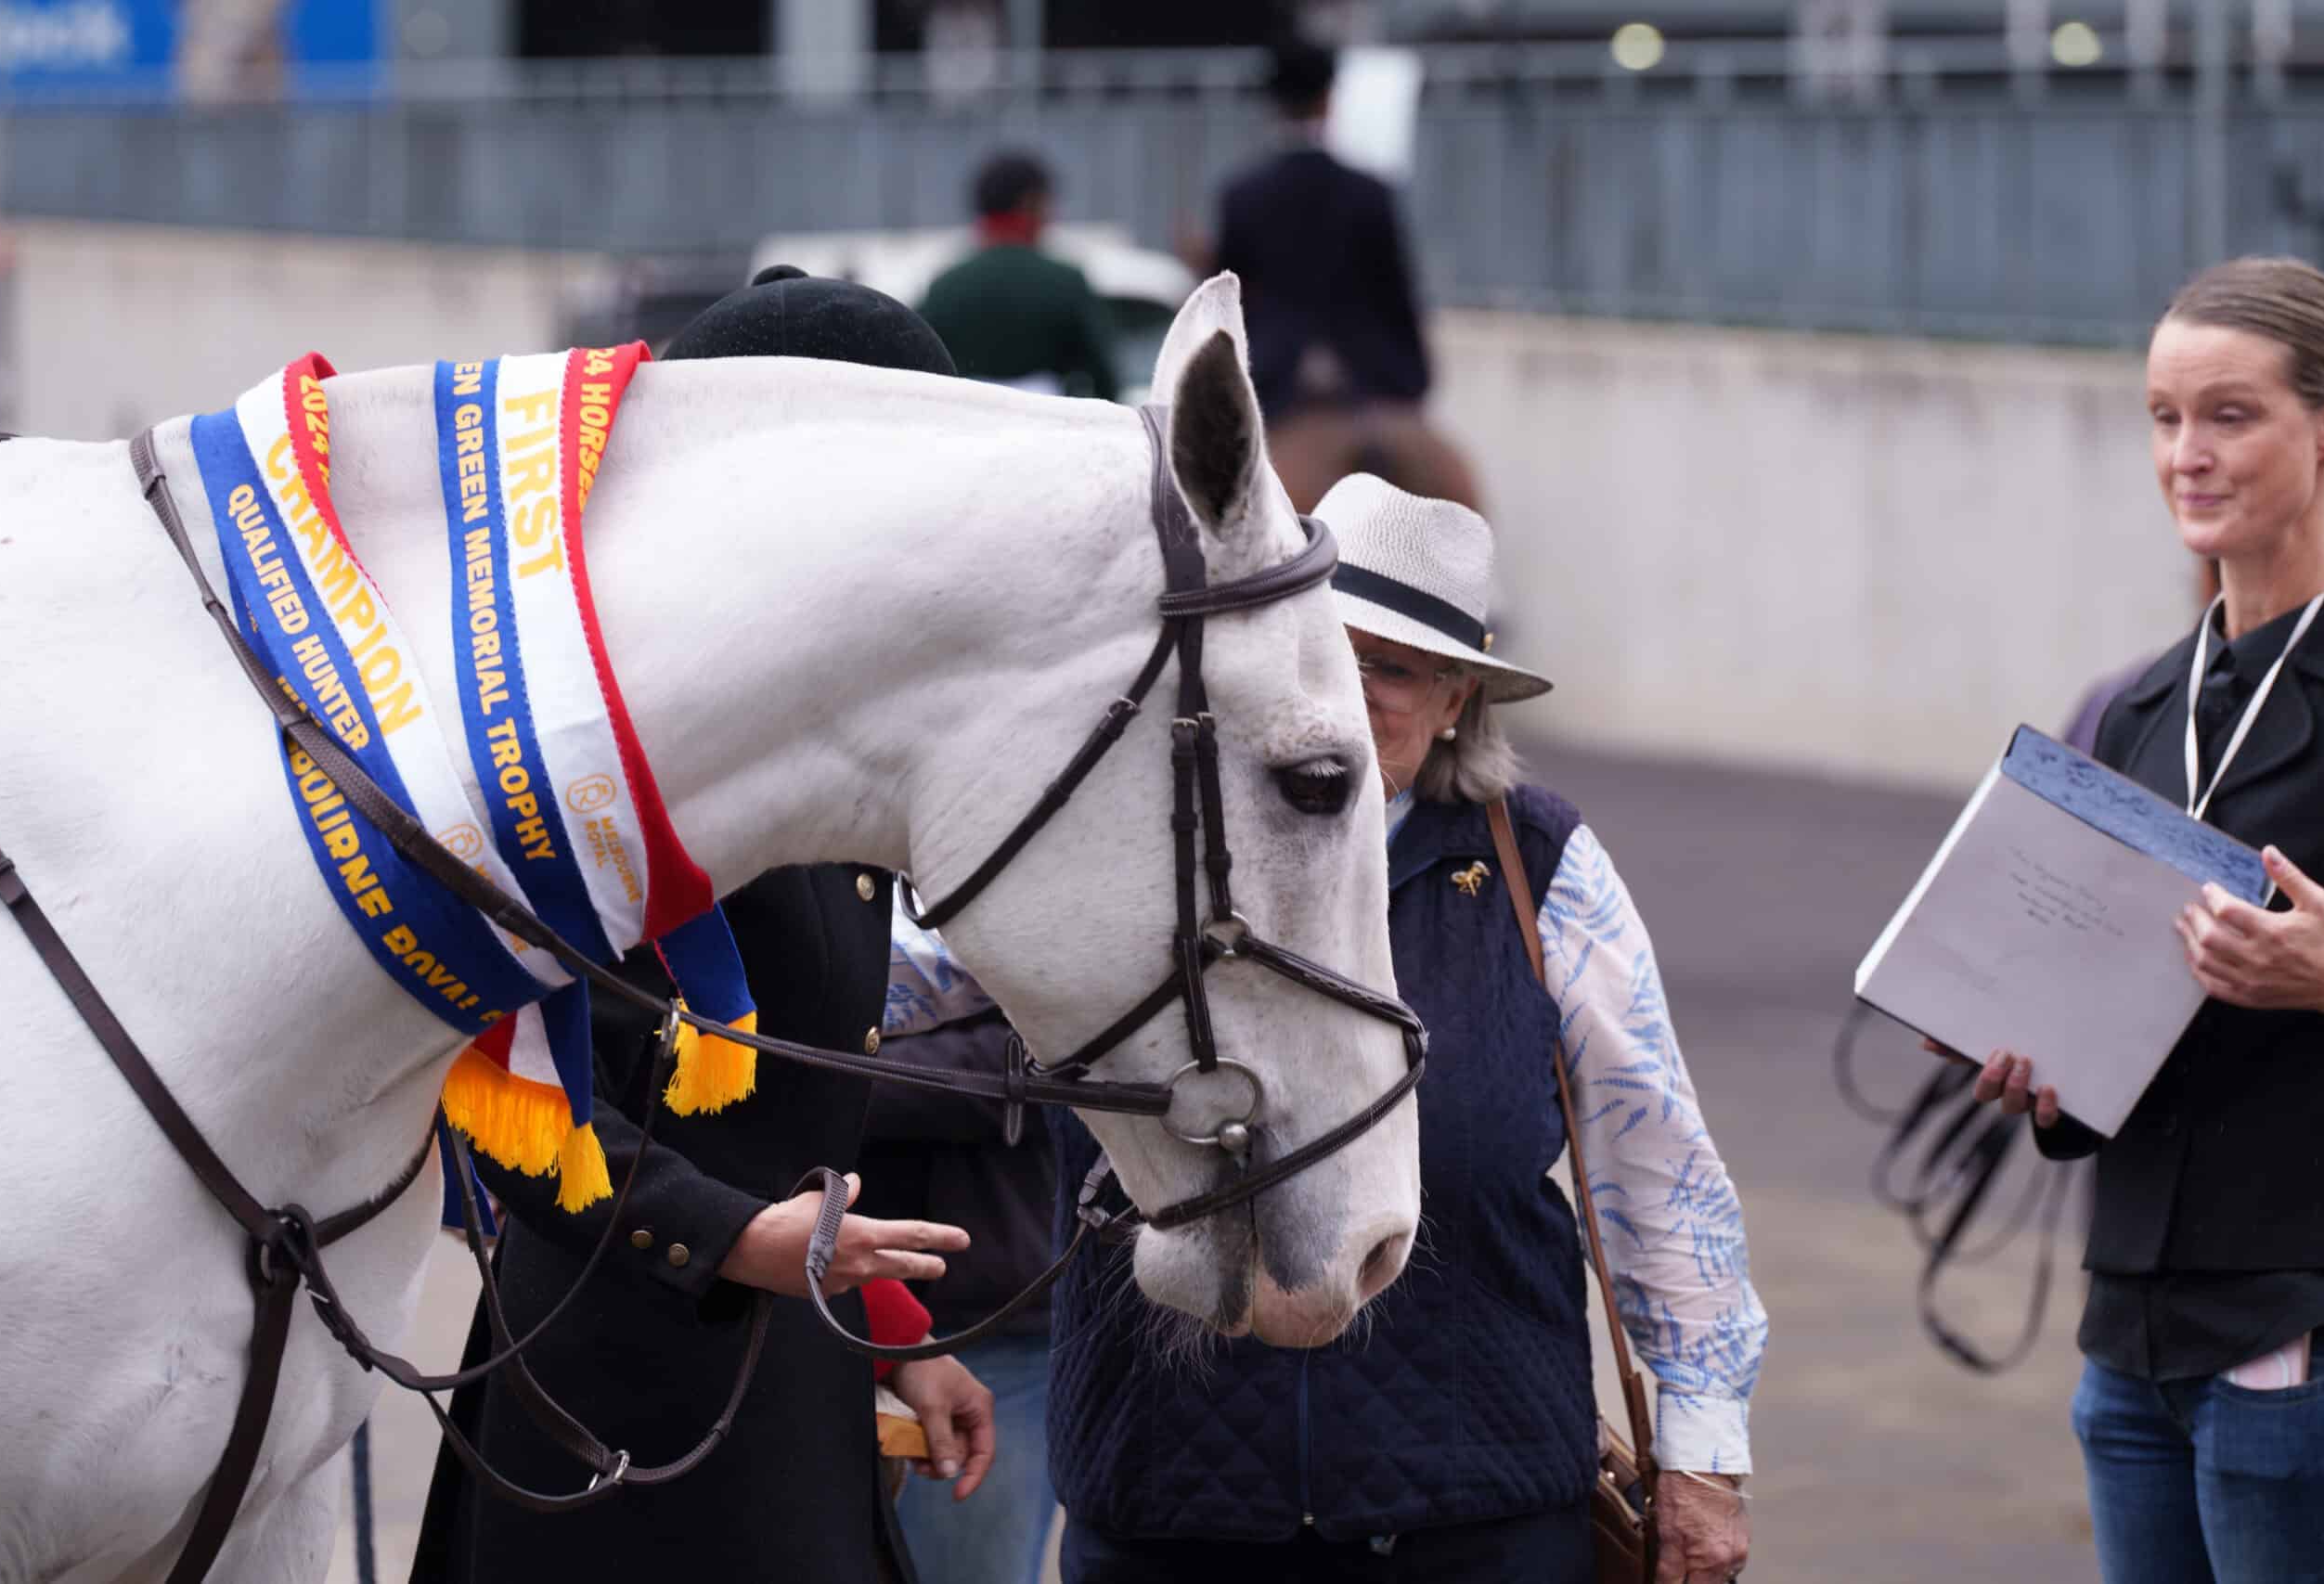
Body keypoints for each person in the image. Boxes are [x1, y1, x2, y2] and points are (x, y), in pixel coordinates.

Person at [1034, 476, 1762, 1583]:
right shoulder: (1130, 834)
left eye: (1395, 667)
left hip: (1475, 1516)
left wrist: (1704, 1454)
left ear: (1459, 697)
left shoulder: (1536, 863)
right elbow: (930, 1016)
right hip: (1169, 1501)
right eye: (1329, 645)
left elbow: (1655, 1156)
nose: (1349, 686)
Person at [410, 268, 995, 1584]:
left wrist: (894, 1324)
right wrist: (732, 1240)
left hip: (788, 1388)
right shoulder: (581, 736)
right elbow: (506, 1086)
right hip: (608, 1424)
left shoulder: (820, 720)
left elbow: (780, 1119)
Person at [1970, 255, 2324, 1583]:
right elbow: (2128, 1015)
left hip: (2303, 1338)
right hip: (2124, 1343)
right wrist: (2035, 1065)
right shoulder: (2134, 709)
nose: (2186, 452)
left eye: (2230, 414)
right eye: (2163, 415)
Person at [867, 915, 1061, 1582]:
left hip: (988, 1319)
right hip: (801, 1296)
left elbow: (1046, 1057)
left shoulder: (1042, 858)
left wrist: (821, 1074)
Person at [1210, 40, 1477, 513]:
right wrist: (1411, 380)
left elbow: (1229, 298)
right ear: (1329, 100)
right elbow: (1396, 293)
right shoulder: (1370, 191)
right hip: (1375, 375)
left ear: (1273, 104)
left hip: (1281, 379)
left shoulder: (1243, 195)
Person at [918, 150, 1119, 401]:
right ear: (1031, 203)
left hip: (966, 430)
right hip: (1053, 431)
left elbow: (918, 367)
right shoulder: (1066, 282)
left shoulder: (945, 287)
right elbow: (1105, 378)